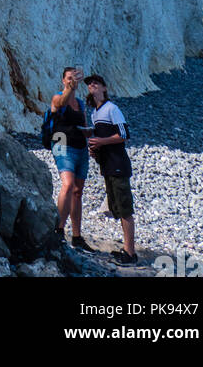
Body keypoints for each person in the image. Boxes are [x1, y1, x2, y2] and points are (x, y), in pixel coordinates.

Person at [85, 74, 136, 265]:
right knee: (117, 207)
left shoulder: (112, 109)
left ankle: (130, 254)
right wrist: (95, 149)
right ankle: (126, 249)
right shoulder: (95, 113)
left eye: (96, 83)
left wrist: (102, 141)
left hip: (118, 164)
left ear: (104, 88)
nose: (92, 85)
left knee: (125, 209)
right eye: (90, 84)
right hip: (107, 165)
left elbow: (124, 134)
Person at [49, 66, 92, 250]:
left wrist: (91, 139)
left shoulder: (80, 103)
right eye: (67, 78)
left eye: (73, 78)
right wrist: (70, 88)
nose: (70, 80)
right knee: (67, 184)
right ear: (63, 81)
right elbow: (60, 105)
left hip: (79, 147)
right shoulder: (58, 97)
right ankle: (58, 229)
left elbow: (83, 124)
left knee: (77, 191)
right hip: (61, 144)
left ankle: (76, 235)